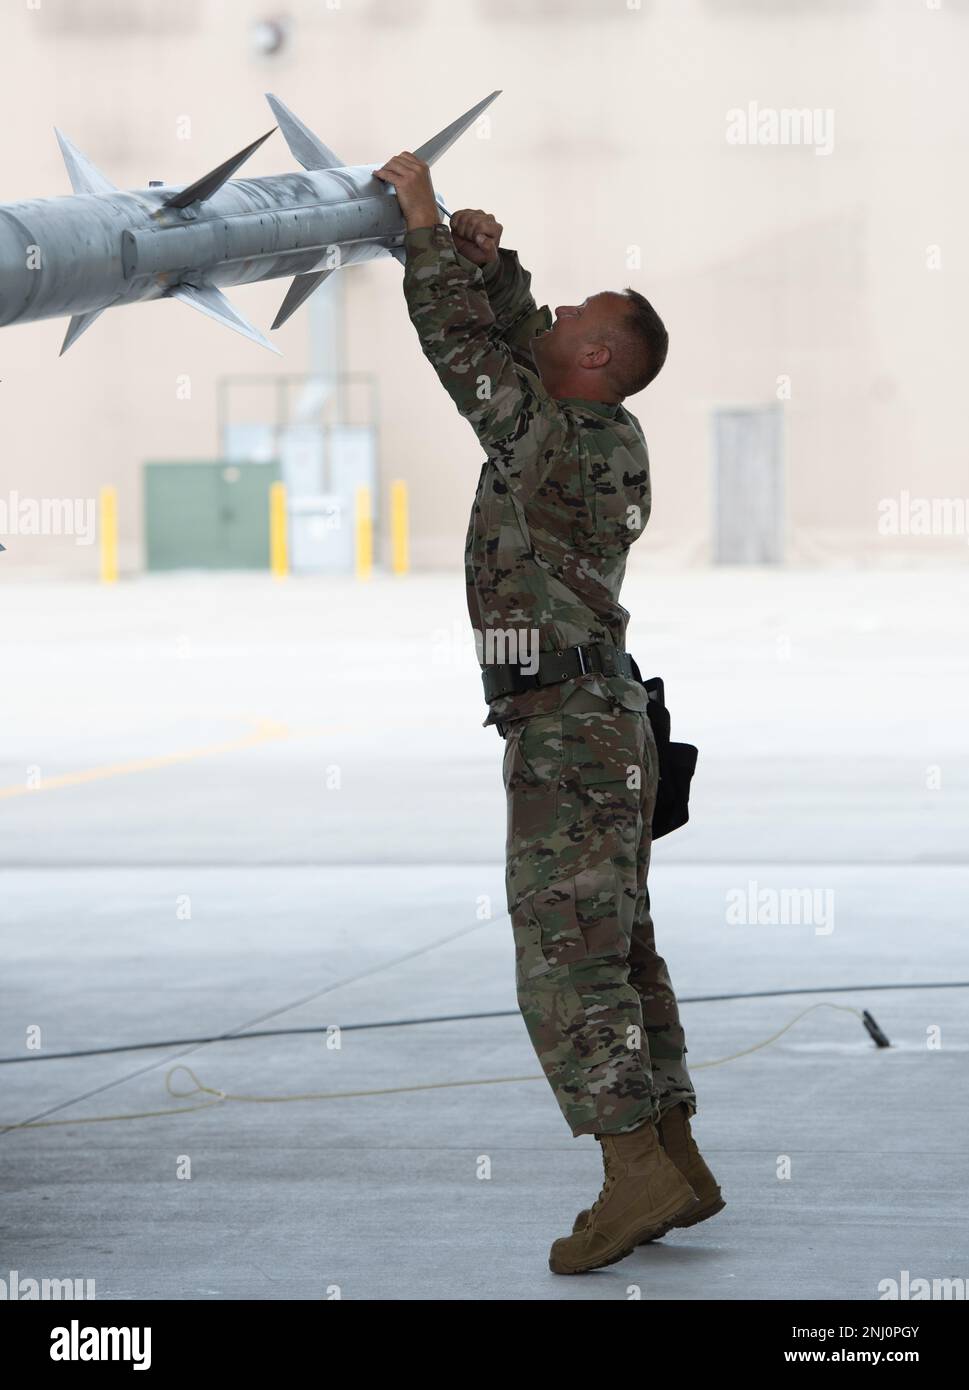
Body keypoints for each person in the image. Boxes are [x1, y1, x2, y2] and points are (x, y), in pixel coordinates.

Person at [374, 151, 724, 1275]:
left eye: (570, 311)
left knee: (565, 963)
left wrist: (425, 229)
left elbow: (465, 354)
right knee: (620, 944)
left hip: (568, 725)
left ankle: (633, 1168)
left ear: (592, 355)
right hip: (601, 713)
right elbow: (525, 344)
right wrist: (495, 261)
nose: (554, 312)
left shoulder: (546, 436)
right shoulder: (597, 433)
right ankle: (675, 1146)